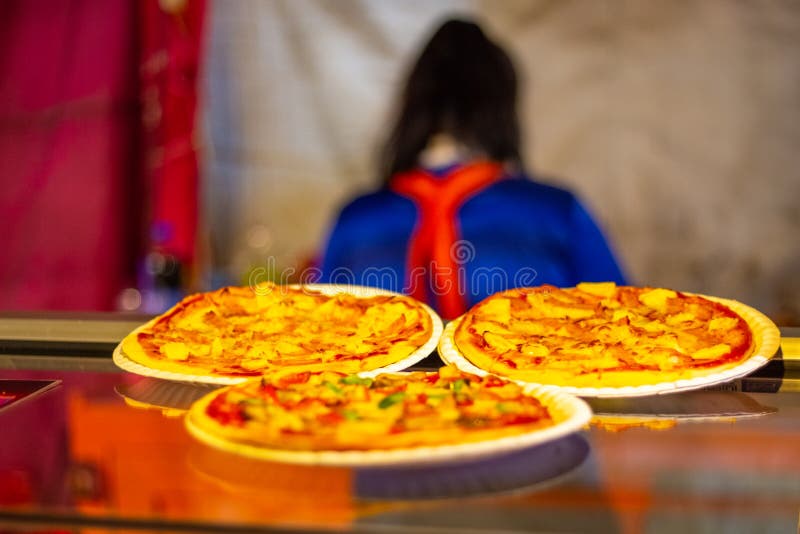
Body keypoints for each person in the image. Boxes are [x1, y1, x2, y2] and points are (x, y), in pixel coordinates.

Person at [319, 18, 626, 320]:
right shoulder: (557, 212)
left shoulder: (355, 220)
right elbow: (625, 323)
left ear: (411, 108)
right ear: (502, 112)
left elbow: (317, 338)